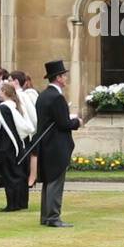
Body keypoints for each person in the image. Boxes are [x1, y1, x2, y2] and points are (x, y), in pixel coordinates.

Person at [33, 60, 82, 226]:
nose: (66, 78)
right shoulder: (57, 98)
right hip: (56, 146)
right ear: (58, 77)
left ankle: (46, 216)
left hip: (46, 145)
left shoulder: (43, 96)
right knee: (55, 181)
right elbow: (64, 124)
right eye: (64, 75)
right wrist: (77, 122)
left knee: (49, 181)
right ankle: (53, 217)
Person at [0, 82, 37, 212]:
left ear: (5, 92)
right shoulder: (15, 106)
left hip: (8, 146)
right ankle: (22, 203)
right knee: (20, 175)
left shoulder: (4, 108)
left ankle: (12, 204)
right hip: (19, 145)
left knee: (10, 175)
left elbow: (0, 128)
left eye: (0, 91)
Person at [10, 71, 39, 187]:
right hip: (20, 133)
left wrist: (32, 130)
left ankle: (32, 178)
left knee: (31, 154)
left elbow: (32, 115)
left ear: (16, 82)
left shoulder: (22, 95)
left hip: (26, 132)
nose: (7, 83)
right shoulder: (16, 95)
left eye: (9, 80)